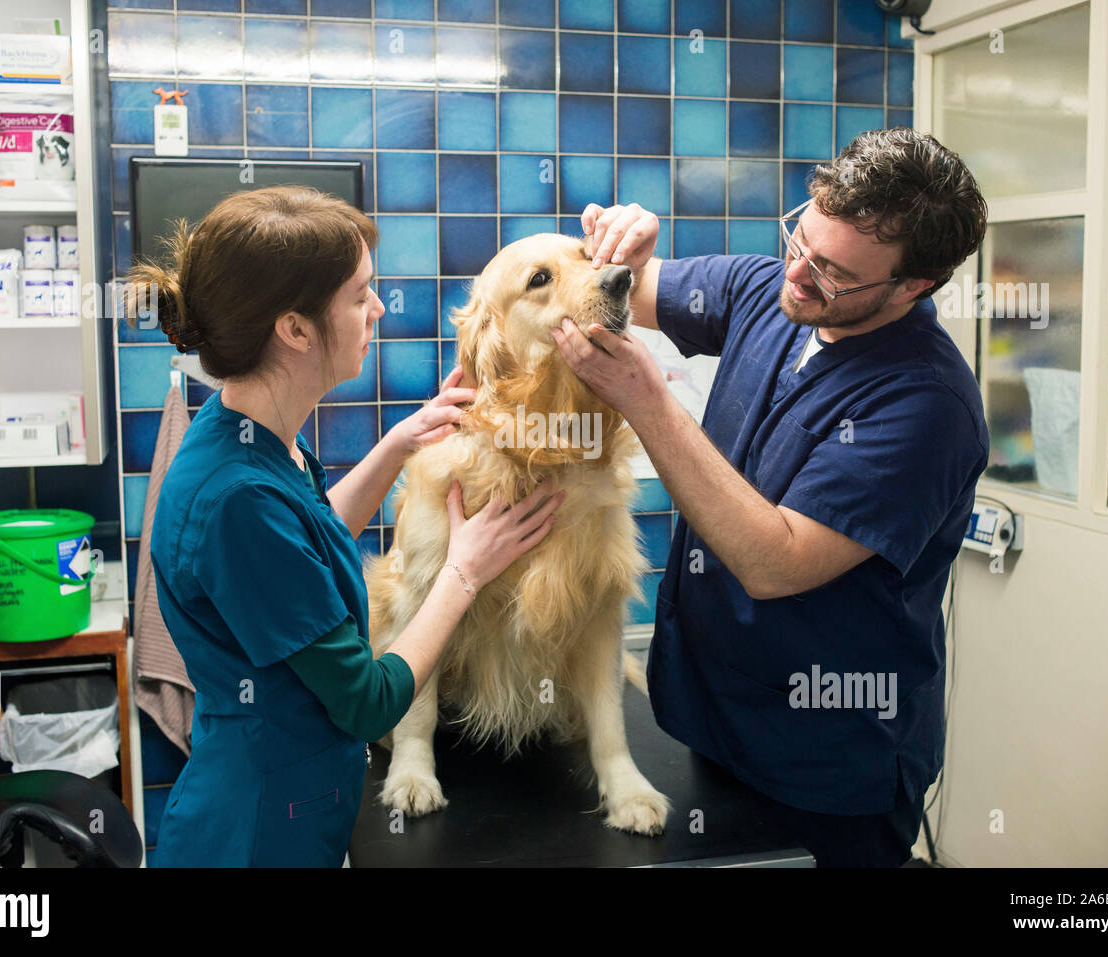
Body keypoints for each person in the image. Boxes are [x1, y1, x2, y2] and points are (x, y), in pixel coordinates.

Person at [551, 128, 990, 867]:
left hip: (827, 758)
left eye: (835, 272)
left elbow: (774, 560)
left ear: (914, 285)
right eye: (801, 238)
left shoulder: (926, 404)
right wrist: (625, 246)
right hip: (711, 714)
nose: (800, 273)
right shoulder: (769, 288)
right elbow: (627, 290)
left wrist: (647, 402)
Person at [126, 186, 563, 867]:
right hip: (258, 836)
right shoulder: (239, 498)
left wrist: (397, 445)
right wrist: (464, 571)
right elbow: (366, 701)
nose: (379, 309)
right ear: (295, 329)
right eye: (360, 295)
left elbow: (305, 545)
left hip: (292, 811)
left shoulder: (246, 430)